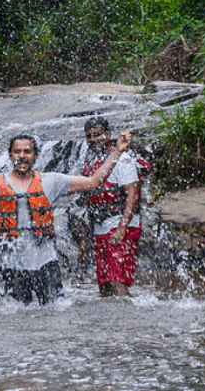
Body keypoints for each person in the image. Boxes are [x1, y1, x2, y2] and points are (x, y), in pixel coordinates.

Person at [0, 129, 132, 305]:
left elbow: (93, 182)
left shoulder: (53, 181)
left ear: (35, 155)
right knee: (16, 317)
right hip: (11, 263)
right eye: (17, 152)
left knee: (54, 314)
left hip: (46, 261)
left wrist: (117, 152)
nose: (22, 156)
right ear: (11, 156)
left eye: (27, 151)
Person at [74, 117, 146, 297]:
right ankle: (108, 325)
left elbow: (133, 194)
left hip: (121, 224)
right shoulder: (92, 164)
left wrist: (121, 229)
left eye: (97, 134)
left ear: (109, 135)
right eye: (88, 136)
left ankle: (130, 321)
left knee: (116, 280)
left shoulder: (124, 159)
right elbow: (89, 204)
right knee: (104, 285)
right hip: (100, 226)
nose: (92, 139)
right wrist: (85, 239)